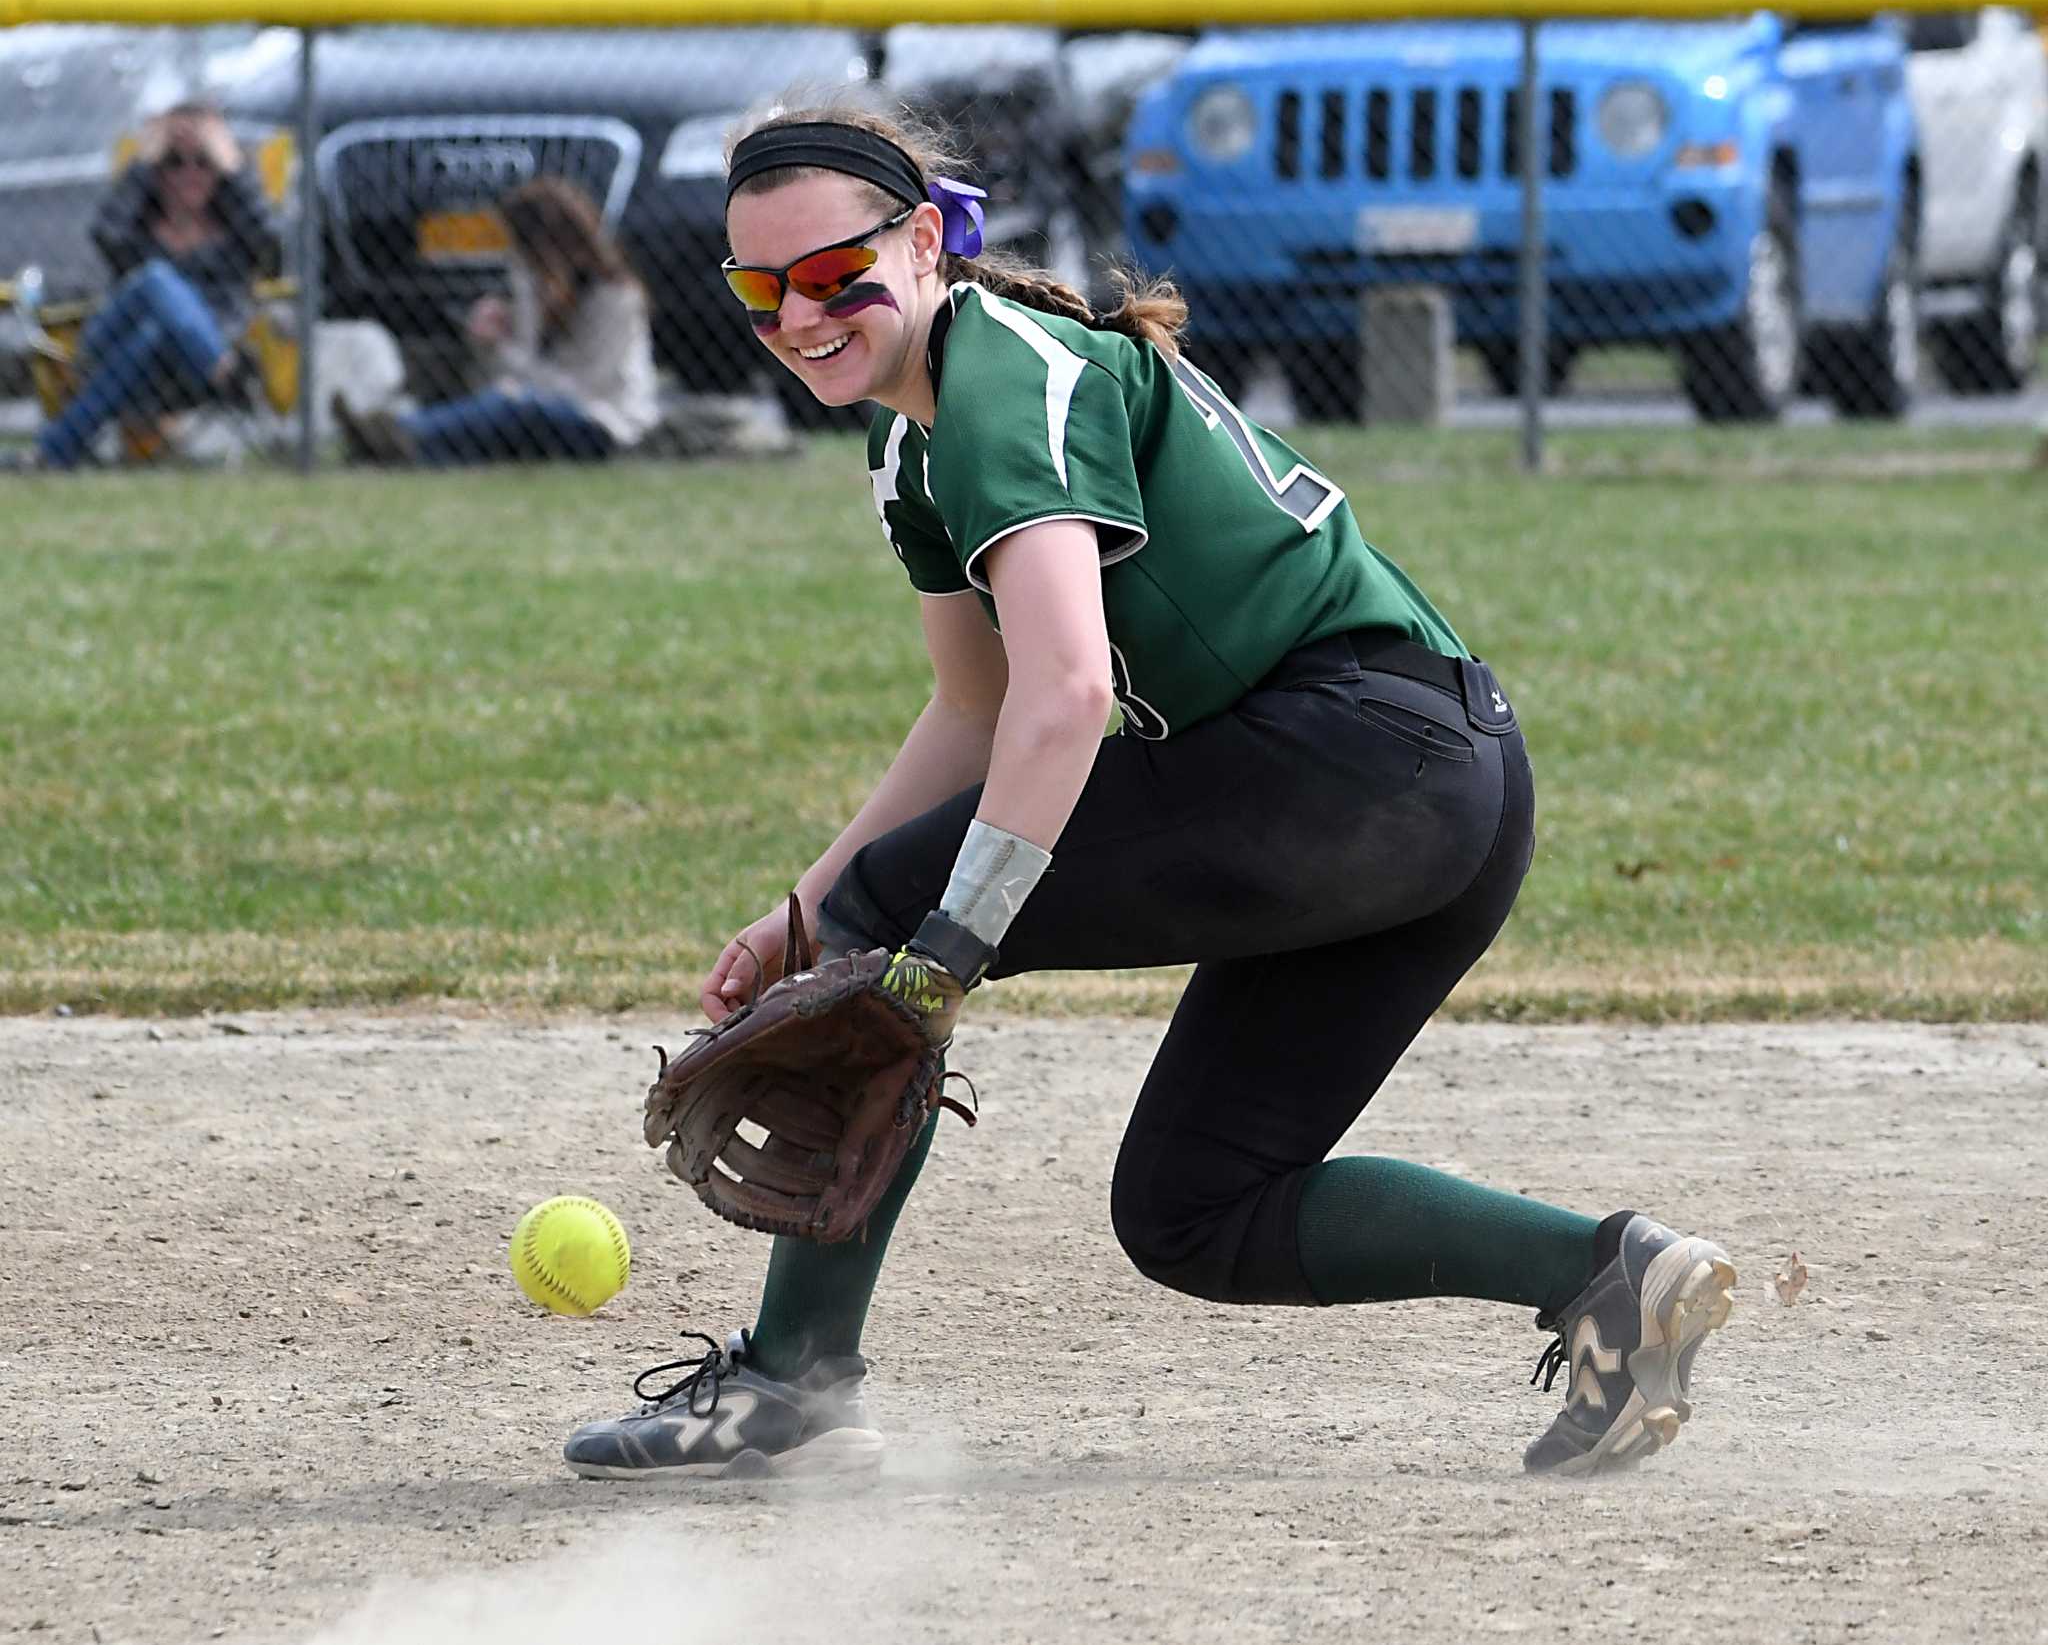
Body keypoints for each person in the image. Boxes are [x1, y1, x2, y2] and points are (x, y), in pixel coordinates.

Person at [562, 98, 1737, 1483]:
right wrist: (809, 910)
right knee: (1194, 1207)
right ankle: (1605, 1275)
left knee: (902, 913)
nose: (800, 316)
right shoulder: (916, 434)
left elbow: (1065, 694)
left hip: (1361, 761)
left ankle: (792, 1383)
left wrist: (938, 947)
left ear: (926, 241)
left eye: (832, 273)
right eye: (761, 292)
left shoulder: (1001, 377)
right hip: (1426, 786)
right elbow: (976, 706)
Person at [9, 104, 280, 471]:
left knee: (149, 338)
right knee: (154, 279)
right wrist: (142, 163)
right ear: (156, 170)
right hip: (111, 339)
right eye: (173, 161)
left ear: (219, 169)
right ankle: (225, 369)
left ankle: (52, 453)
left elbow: (272, 243)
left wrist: (233, 166)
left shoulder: (236, 233)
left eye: (203, 161)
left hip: (179, 365)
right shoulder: (137, 223)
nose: (189, 174)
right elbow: (105, 234)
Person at [333, 178, 656, 466]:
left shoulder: (616, 300)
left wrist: (504, 355)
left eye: (523, 251)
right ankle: (398, 445)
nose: (517, 261)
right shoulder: (537, 292)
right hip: (539, 411)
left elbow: (583, 390)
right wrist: (489, 340)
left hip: (603, 421)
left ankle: (398, 434)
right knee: (500, 416)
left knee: (512, 409)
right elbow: (503, 378)